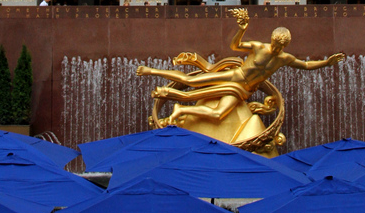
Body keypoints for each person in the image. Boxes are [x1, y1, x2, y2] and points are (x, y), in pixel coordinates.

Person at [137, 7, 346, 126]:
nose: (275, 48)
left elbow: (307, 65)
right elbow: (234, 46)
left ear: (285, 46)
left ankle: (180, 109)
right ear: (271, 40)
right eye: (275, 43)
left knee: (219, 114)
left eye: (280, 46)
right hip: (233, 76)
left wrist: (327, 62)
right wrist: (241, 29)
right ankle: (151, 71)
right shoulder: (258, 47)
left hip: (242, 91)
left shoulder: (285, 58)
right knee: (190, 81)